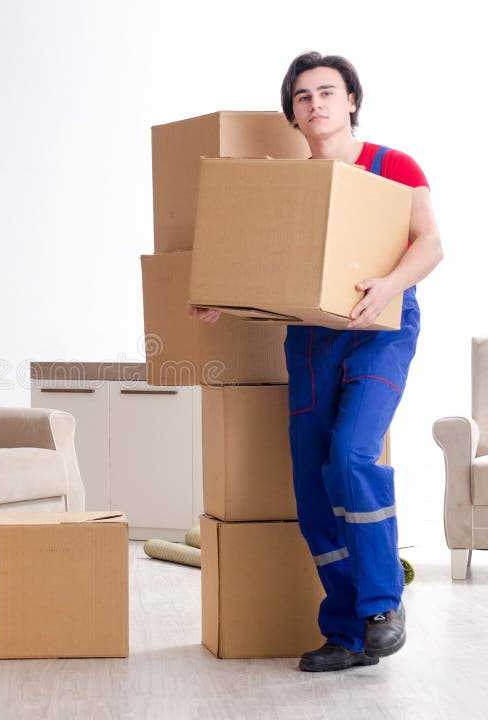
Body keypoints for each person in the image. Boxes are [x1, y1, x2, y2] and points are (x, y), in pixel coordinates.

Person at [190, 52, 442, 672]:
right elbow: (268, 269)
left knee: (352, 454)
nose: (316, 104)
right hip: (309, 339)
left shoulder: (393, 166)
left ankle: (384, 605)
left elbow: (432, 243)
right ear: (293, 114)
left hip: (381, 329)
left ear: (351, 100)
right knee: (311, 487)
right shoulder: (294, 186)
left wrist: (387, 286)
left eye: (327, 92)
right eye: (303, 97)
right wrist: (222, 299)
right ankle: (348, 633)